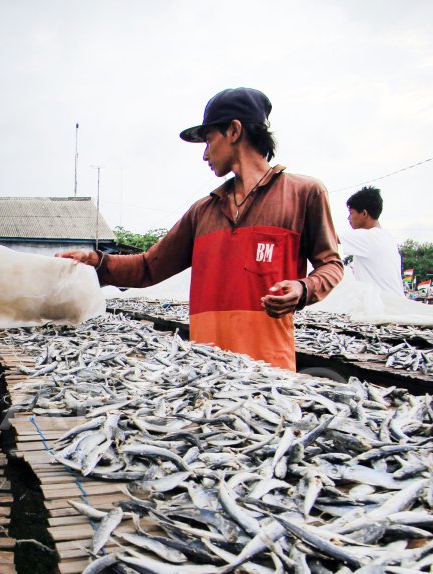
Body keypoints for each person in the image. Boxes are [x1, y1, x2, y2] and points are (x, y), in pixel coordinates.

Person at [59, 87, 343, 371]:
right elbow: (149, 267)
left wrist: (303, 288)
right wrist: (95, 262)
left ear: (234, 130)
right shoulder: (202, 212)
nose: (205, 155)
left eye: (208, 141)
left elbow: (331, 264)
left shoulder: (304, 193)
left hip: (270, 371)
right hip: (205, 371)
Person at [339, 186, 404, 295]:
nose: (348, 218)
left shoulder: (369, 237)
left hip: (385, 308)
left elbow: (327, 236)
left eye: (351, 212)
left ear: (364, 213)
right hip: (395, 305)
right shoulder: (387, 238)